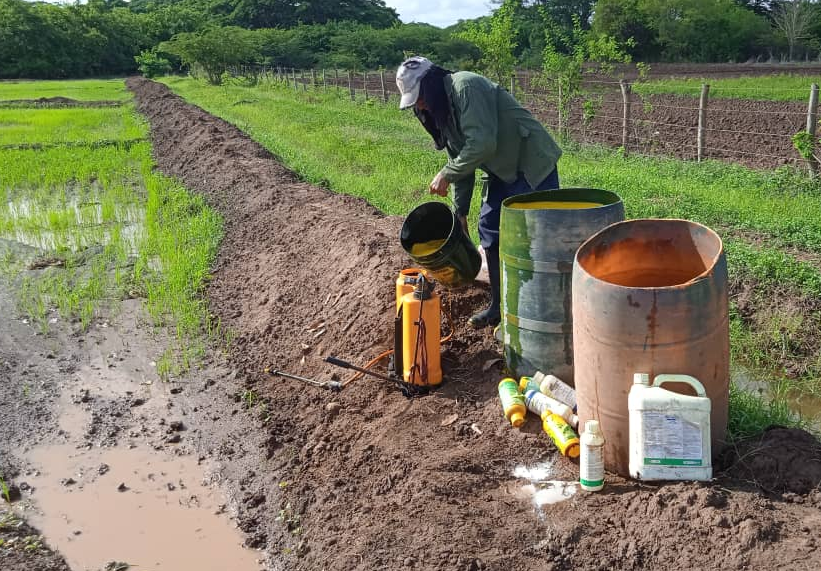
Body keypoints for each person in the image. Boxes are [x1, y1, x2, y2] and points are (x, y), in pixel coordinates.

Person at [396, 56, 562, 328]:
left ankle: (543, 313)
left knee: (535, 238)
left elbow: (482, 144)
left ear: (431, 84)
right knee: (489, 229)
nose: (420, 105)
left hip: (530, 162)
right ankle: (499, 306)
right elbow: (461, 162)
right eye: (414, 102)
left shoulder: (466, 87)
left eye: (420, 97)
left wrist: (445, 174)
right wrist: (460, 213)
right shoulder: (440, 112)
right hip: (501, 170)